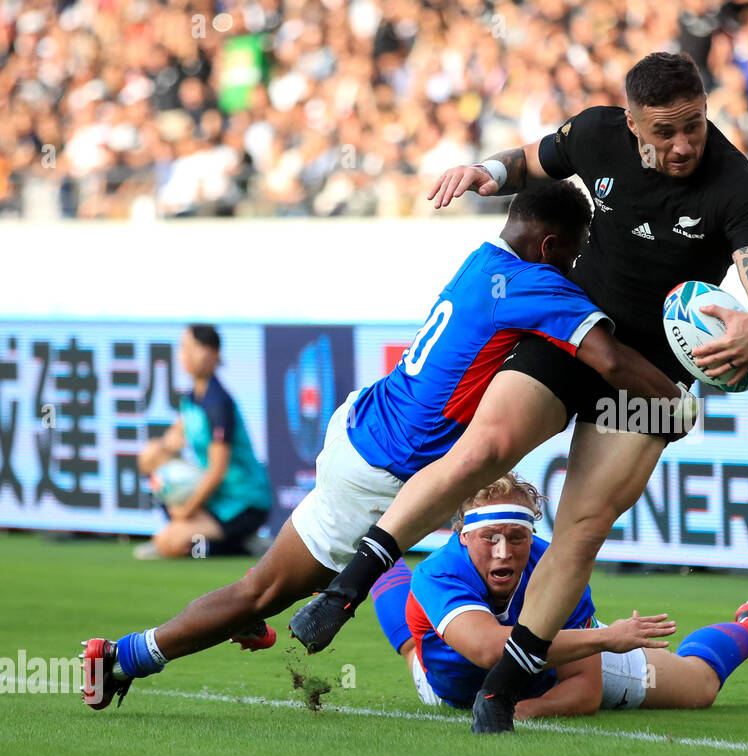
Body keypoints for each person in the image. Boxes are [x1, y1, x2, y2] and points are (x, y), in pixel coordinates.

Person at [289, 51, 748, 734]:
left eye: (694, 126)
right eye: (664, 131)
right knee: (485, 447)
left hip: (646, 376)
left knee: (582, 525)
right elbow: (528, 161)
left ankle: (501, 691)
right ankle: (348, 589)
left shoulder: (736, 186)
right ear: (633, 124)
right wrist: (484, 172)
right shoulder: (595, 133)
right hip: (574, 333)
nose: (682, 145)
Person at [81, 181, 690, 710]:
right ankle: (130, 655)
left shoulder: (483, 260)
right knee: (263, 592)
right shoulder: (535, 284)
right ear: (551, 247)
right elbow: (609, 359)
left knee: (260, 591)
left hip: (362, 426)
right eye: (574, 253)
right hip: (387, 466)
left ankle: (158, 645)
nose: (575, 266)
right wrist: (679, 400)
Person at [371, 473, 748, 718]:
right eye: (490, 537)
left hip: (549, 673)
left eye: (516, 537)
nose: (504, 551)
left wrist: (520, 709)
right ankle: (371, 554)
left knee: (699, 688)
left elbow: (585, 690)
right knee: (418, 646)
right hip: (446, 687)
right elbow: (488, 648)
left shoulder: (557, 567)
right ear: (462, 536)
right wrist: (606, 638)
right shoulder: (440, 570)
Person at [134, 324, 272, 559]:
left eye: (191, 348)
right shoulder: (190, 399)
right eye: (182, 348)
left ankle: (246, 543)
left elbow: (217, 471)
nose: (184, 355)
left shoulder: (219, 403)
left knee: (170, 543)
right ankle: (200, 532)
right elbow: (172, 438)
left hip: (242, 501)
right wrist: (171, 444)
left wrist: (185, 512)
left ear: (212, 353)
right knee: (151, 454)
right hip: (216, 497)